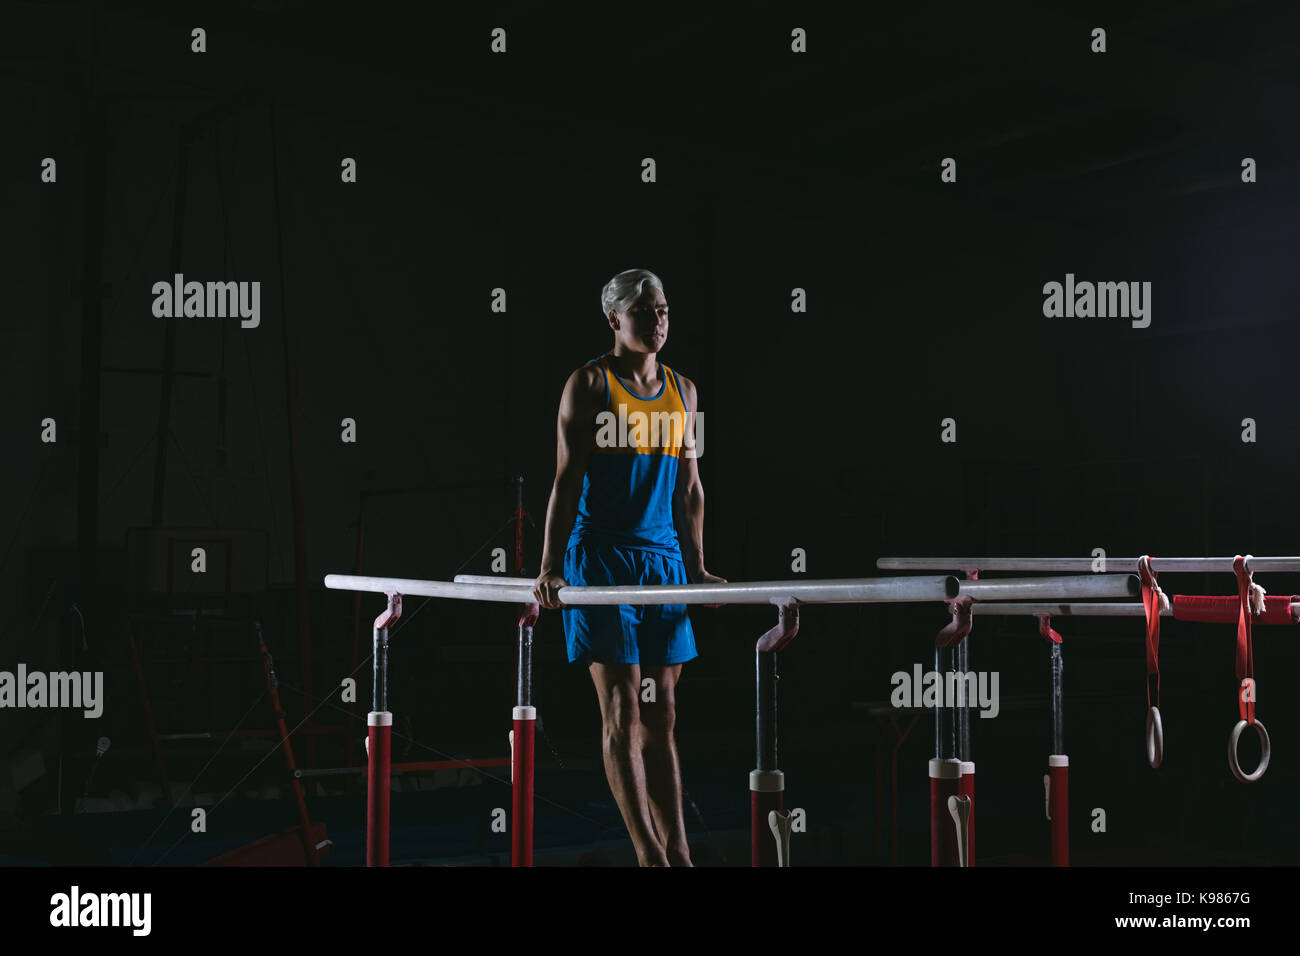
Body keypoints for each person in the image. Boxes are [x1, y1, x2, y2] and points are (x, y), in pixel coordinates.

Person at [533, 268, 724, 867]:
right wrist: (550, 566)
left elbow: (690, 490)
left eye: (663, 309)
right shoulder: (589, 383)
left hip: (663, 558)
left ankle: (681, 854)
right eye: (643, 311)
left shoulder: (684, 391)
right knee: (623, 706)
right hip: (600, 558)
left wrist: (697, 565)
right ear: (614, 319)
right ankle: (649, 854)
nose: (657, 320)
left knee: (662, 712)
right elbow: (565, 483)